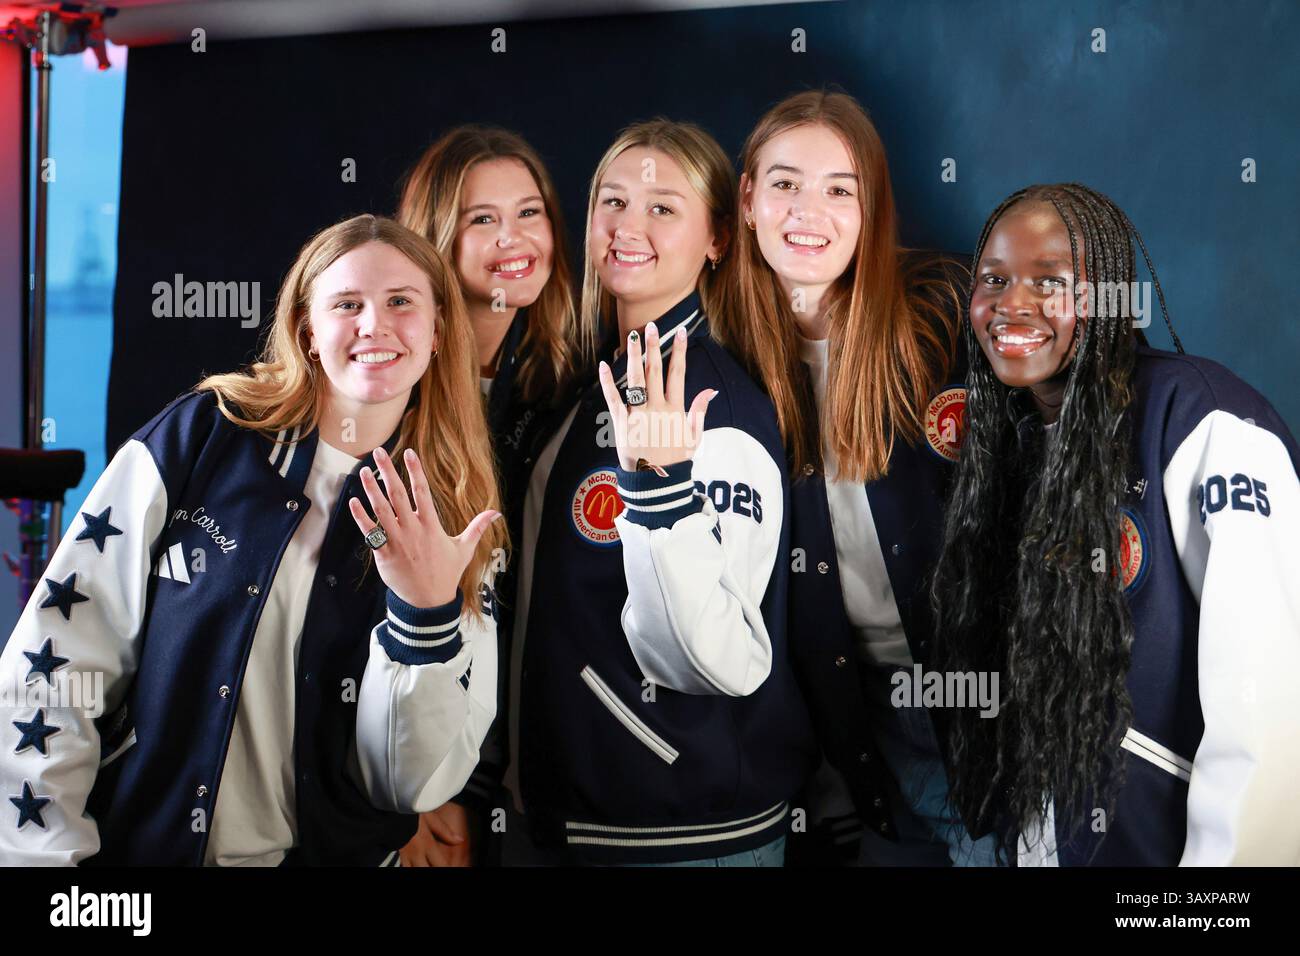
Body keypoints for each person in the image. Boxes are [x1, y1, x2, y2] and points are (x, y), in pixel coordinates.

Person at [0, 214, 504, 865]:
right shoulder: (202, 438)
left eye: (401, 302)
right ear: (308, 332)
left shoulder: (456, 511)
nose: (374, 324)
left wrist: (424, 617)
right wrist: (44, 862)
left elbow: (410, 783)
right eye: (347, 303)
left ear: (438, 331)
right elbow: (55, 665)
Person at [931, 183, 1300, 865]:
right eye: (995, 279)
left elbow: (1272, 708)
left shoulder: (1200, 420)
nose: (1012, 305)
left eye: (1051, 282)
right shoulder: (1011, 437)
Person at [500, 119, 818, 865]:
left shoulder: (716, 408)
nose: (626, 226)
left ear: (717, 240)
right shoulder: (584, 389)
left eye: (662, 207)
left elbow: (724, 661)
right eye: (611, 202)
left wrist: (663, 498)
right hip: (562, 820)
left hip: (679, 836)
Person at [721, 89, 995, 866]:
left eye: (840, 189)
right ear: (747, 200)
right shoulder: (727, 353)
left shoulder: (947, 311)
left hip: (980, 703)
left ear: (871, 208)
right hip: (850, 724)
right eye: (784, 184)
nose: (810, 211)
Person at [396, 126, 580, 865]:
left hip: (509, 765)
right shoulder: (394, 391)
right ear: (439, 236)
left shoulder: (549, 378)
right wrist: (414, 792)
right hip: (416, 774)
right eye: (483, 218)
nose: (515, 238)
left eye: (529, 212)